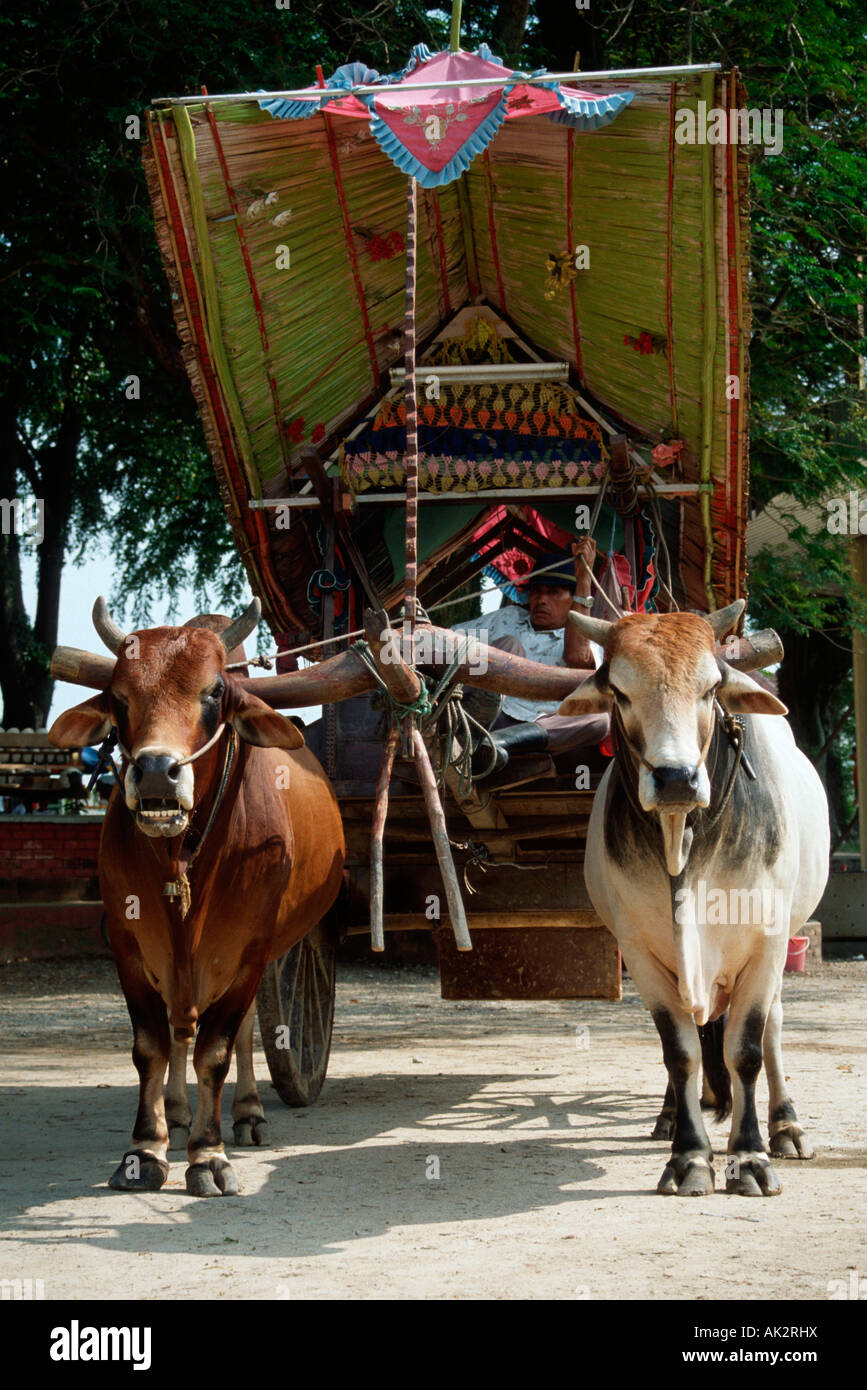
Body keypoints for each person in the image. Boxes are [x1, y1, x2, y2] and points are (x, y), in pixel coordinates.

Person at [452, 539, 609, 776]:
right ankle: (475, 731)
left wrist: (584, 582)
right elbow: (453, 637)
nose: (541, 600)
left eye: (554, 593)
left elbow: (577, 657)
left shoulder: (590, 636)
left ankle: (497, 744)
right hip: (495, 717)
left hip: (542, 734)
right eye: (537, 592)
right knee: (507, 646)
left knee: (600, 721)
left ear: (572, 599)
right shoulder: (507, 618)